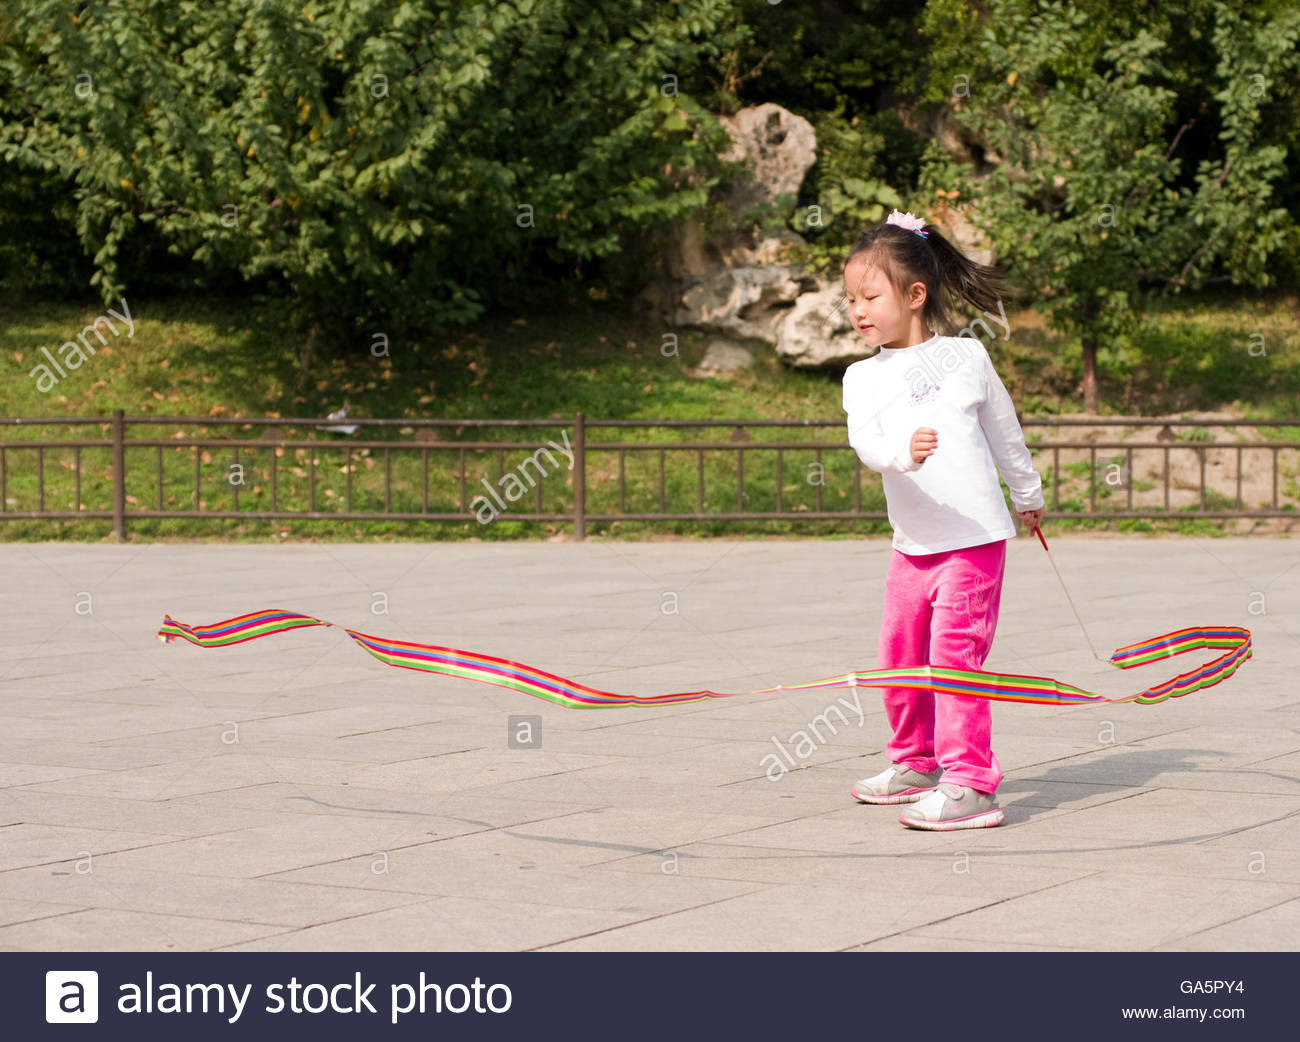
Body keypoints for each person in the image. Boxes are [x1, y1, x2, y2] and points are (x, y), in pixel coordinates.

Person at [840, 209, 1044, 830]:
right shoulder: (860, 377)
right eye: (850, 299)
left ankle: (971, 784)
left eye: (870, 297)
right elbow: (867, 445)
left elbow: (1005, 433)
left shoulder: (966, 357)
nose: (857, 310)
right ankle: (915, 763)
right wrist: (903, 455)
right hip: (912, 544)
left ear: (915, 295)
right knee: (899, 657)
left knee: (955, 658)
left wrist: (1027, 494)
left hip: (974, 540)